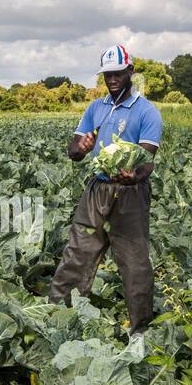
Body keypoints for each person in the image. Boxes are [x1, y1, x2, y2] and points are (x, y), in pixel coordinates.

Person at [48, 44, 162, 336]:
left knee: (135, 263)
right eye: (107, 74)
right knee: (77, 254)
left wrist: (133, 176)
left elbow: (147, 161)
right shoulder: (95, 108)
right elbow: (73, 150)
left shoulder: (147, 112)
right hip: (97, 190)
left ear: (130, 72)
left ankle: (140, 332)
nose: (112, 79)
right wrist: (80, 147)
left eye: (118, 74)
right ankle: (61, 319)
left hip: (130, 197)